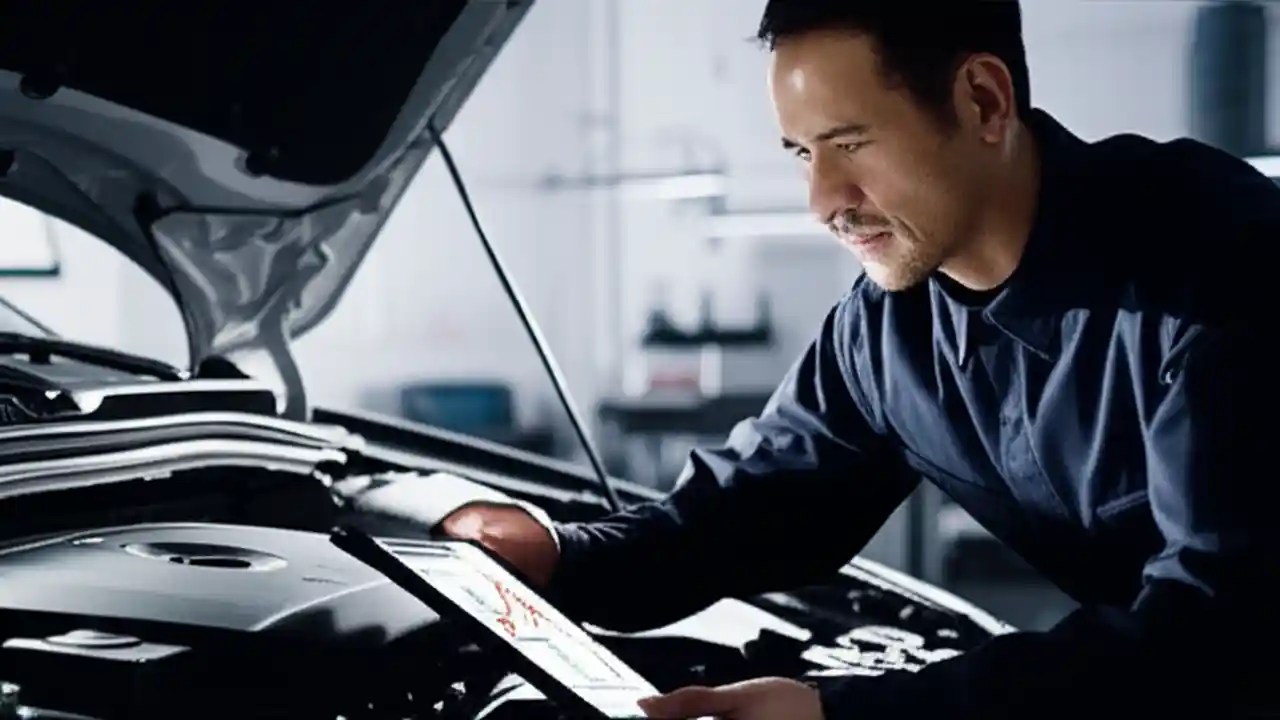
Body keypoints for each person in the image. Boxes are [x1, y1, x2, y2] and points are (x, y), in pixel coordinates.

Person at [441, 1, 1280, 717]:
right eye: (804, 155)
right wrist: (561, 555)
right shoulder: (887, 332)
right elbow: (749, 512)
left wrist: (844, 714)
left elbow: (1216, 633)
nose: (822, 203)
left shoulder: (1222, 266)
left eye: (851, 145)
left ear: (984, 101)